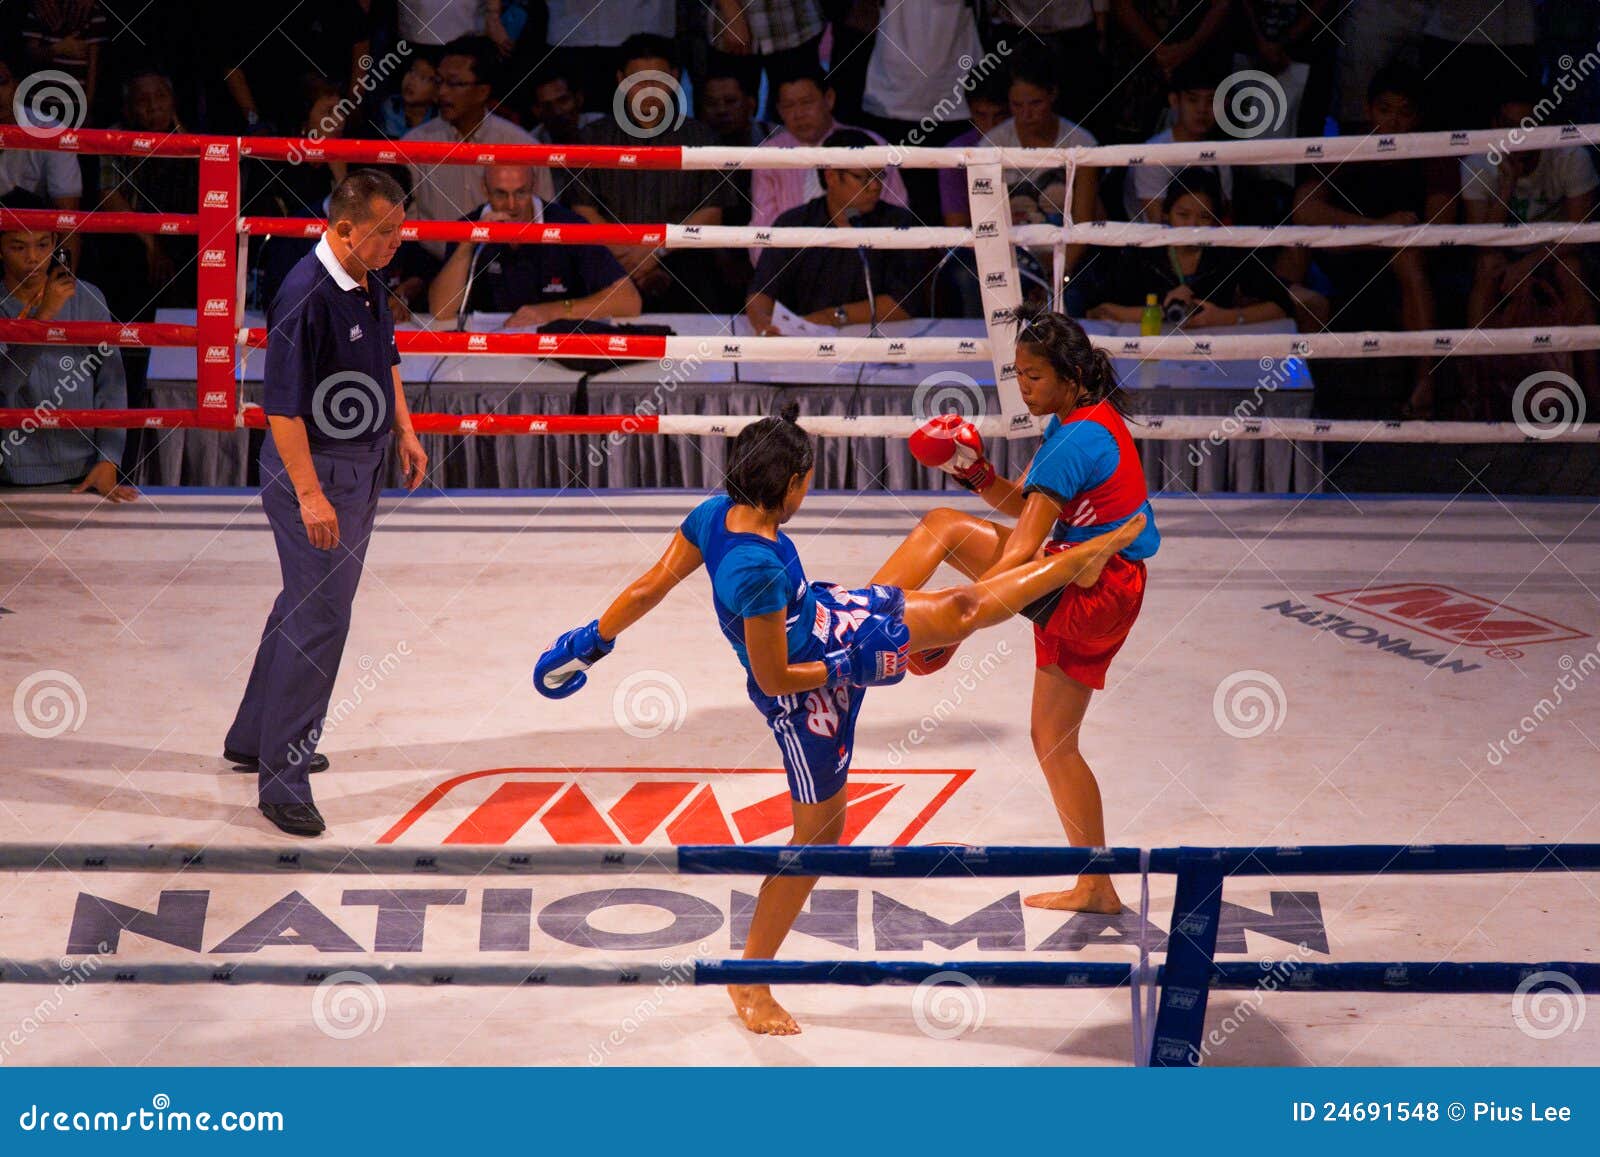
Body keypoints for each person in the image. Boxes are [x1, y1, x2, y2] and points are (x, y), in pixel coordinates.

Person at [533, 403, 1146, 1033]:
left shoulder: (714, 513)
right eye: (807, 480)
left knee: (960, 608)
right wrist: (854, 666)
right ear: (790, 484)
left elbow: (649, 587)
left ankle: (1075, 562)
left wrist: (589, 643)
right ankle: (749, 981)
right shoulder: (756, 569)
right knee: (816, 841)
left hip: (829, 621)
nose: (810, 491)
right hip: (807, 701)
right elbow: (773, 679)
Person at [882, 307, 1161, 915]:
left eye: (1034, 376)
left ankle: (855, 621)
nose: (1023, 387)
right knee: (1054, 742)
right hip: (1111, 587)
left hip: (1093, 590)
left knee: (942, 527)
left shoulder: (1073, 440)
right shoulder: (1083, 421)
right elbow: (1029, 509)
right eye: (1017, 375)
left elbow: (1021, 550)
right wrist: (975, 472)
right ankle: (1097, 884)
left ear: (1071, 375)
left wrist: (956, 624)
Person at [224, 170, 428, 838]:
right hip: (315, 471)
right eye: (385, 231)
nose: (397, 242)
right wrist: (310, 495)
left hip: (360, 464)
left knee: (302, 605)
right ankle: (283, 781)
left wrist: (403, 427)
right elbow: (280, 409)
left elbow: (387, 356)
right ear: (343, 228)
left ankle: (254, 736)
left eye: (400, 229)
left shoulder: (368, 274)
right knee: (322, 619)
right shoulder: (303, 295)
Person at [1293, 65, 1456, 418]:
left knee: (1407, 256)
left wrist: (1394, 238)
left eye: (1404, 112)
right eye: (1385, 110)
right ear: (1369, 110)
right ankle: (1292, 384)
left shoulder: (1435, 152)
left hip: (1408, 259)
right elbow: (1304, 208)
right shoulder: (1352, 145)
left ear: (1418, 117)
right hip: (1355, 250)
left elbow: (1440, 227)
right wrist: (1377, 229)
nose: (1393, 122)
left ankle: (1425, 383)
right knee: (1296, 242)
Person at [558, 34, 737, 312]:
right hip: (610, 261)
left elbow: (712, 215)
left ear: (674, 78)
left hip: (683, 266)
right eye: (638, 81)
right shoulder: (592, 138)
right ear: (621, 80)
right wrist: (629, 253)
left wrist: (656, 250)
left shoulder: (702, 137)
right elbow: (582, 211)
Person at [0, 191, 132, 501]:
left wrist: (109, 458)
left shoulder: (88, 298)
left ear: (56, 242)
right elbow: (3, 384)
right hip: (11, 475)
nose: (33, 257)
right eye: (18, 247)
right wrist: (43, 317)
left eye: (42, 244)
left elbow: (112, 385)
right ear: (0, 249)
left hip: (86, 471)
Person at [744, 129, 930, 334]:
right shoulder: (793, 223)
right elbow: (761, 292)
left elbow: (904, 303)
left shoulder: (898, 223)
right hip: (804, 339)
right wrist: (764, 323)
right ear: (831, 177)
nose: (875, 186)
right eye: (862, 177)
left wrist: (831, 317)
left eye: (879, 175)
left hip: (879, 338)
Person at [427, 164, 641, 325]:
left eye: (521, 193)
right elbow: (441, 310)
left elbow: (629, 300)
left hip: (553, 346)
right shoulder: (467, 226)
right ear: (484, 188)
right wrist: (468, 244)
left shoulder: (569, 225)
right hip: (489, 347)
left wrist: (553, 311)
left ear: (534, 186)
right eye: (500, 194)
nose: (512, 205)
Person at [403, 36, 548, 261]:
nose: (442, 93)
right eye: (439, 82)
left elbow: (544, 217)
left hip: (507, 265)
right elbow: (403, 224)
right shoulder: (413, 145)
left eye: (454, 84)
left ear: (482, 91)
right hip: (431, 267)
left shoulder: (523, 146)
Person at [1087, 170, 1290, 328]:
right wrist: (1162, 312)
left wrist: (1226, 317)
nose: (1193, 225)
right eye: (1183, 215)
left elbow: (1281, 306)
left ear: (1216, 221)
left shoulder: (1229, 253)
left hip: (1214, 351)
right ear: (1166, 214)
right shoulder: (1142, 252)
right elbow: (1096, 310)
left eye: (1204, 217)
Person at [749, 68, 910, 258]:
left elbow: (896, 214)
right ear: (778, 110)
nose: (798, 114)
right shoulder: (769, 155)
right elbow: (763, 228)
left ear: (829, 99)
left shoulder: (871, 144)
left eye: (806, 103)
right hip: (795, 262)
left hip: (867, 255)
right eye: (788, 106)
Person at [1122, 60, 1231, 223]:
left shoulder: (1222, 155)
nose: (1202, 109)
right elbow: (1158, 223)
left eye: (1211, 101)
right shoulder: (1153, 155)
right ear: (1174, 101)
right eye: (1193, 100)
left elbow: (1223, 217)